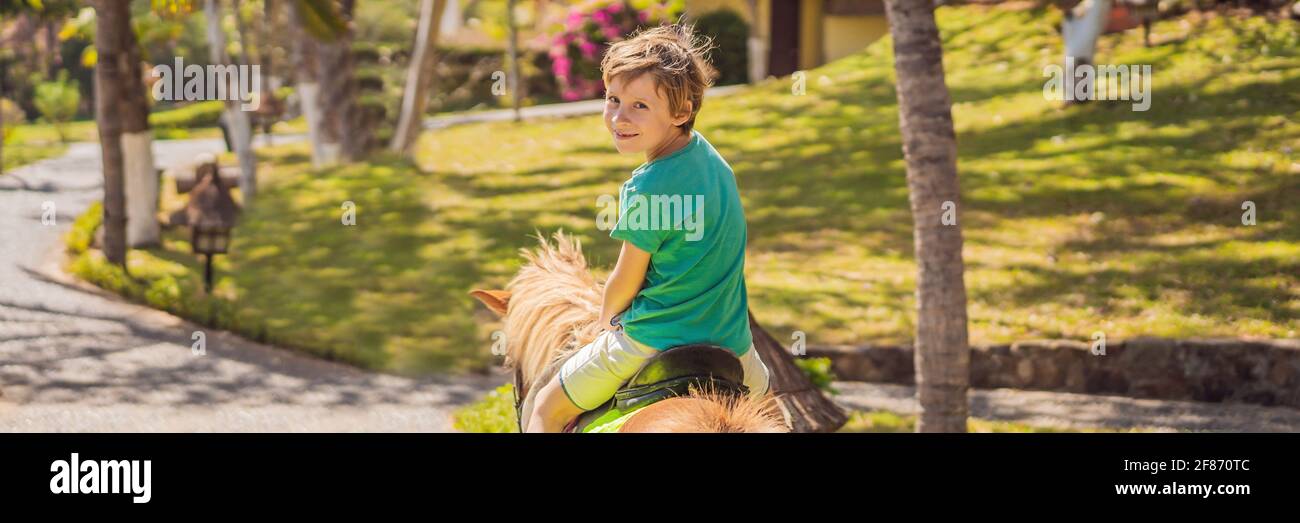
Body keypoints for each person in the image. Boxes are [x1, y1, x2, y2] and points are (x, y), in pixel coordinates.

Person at [525, 24, 770, 432]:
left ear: (681, 111)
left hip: (651, 339)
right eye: (613, 99)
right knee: (768, 406)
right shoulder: (713, 162)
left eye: (640, 106)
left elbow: (626, 278)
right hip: (734, 344)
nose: (619, 117)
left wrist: (603, 322)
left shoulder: (647, 186)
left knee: (545, 409)